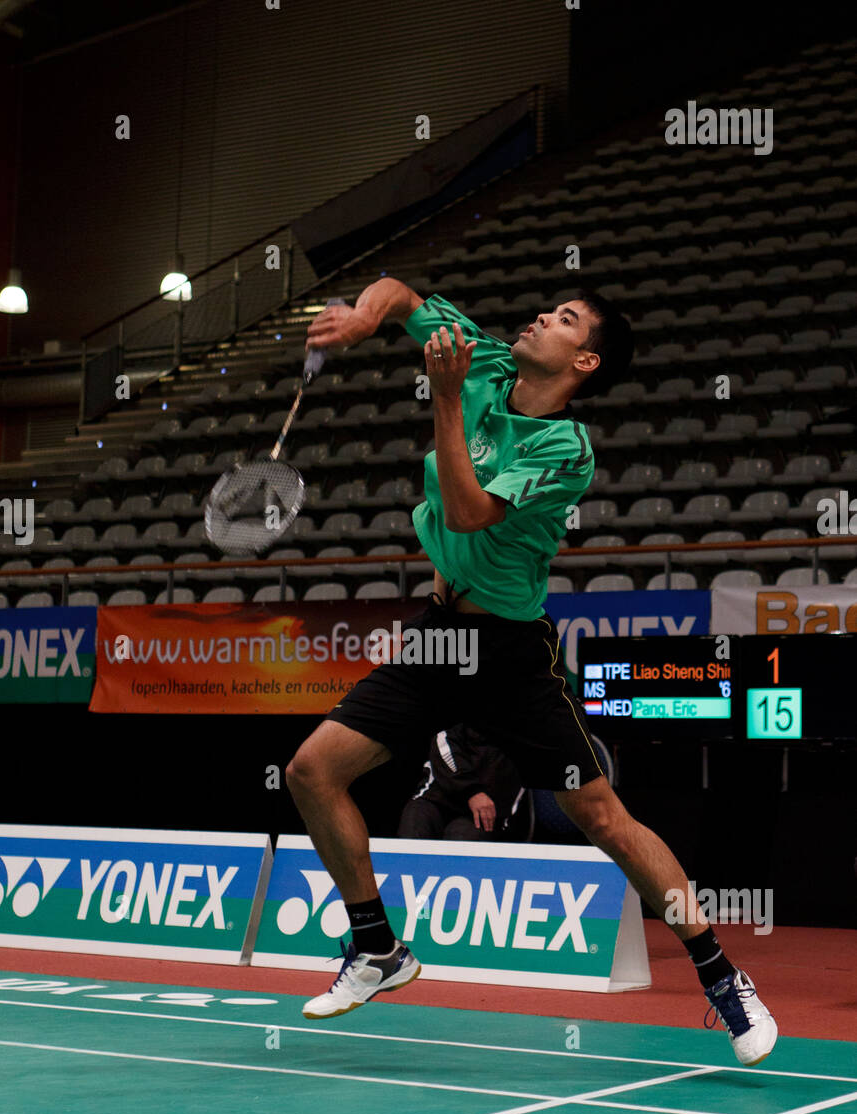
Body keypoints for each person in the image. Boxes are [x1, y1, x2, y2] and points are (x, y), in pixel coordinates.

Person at [285, 279, 777, 1065]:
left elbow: (470, 512)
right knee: (311, 771)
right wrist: (361, 318)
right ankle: (376, 946)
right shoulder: (479, 357)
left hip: (511, 652)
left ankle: (722, 977)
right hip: (440, 633)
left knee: (602, 818)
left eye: (566, 319)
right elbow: (402, 293)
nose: (543, 315)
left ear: (583, 359)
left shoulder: (565, 448)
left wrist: (446, 402)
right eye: (550, 307)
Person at [398, 724, 528, 842]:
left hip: (485, 811)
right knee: (415, 824)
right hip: (438, 798)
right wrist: (471, 791)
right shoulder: (462, 714)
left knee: (461, 841)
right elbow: (442, 742)